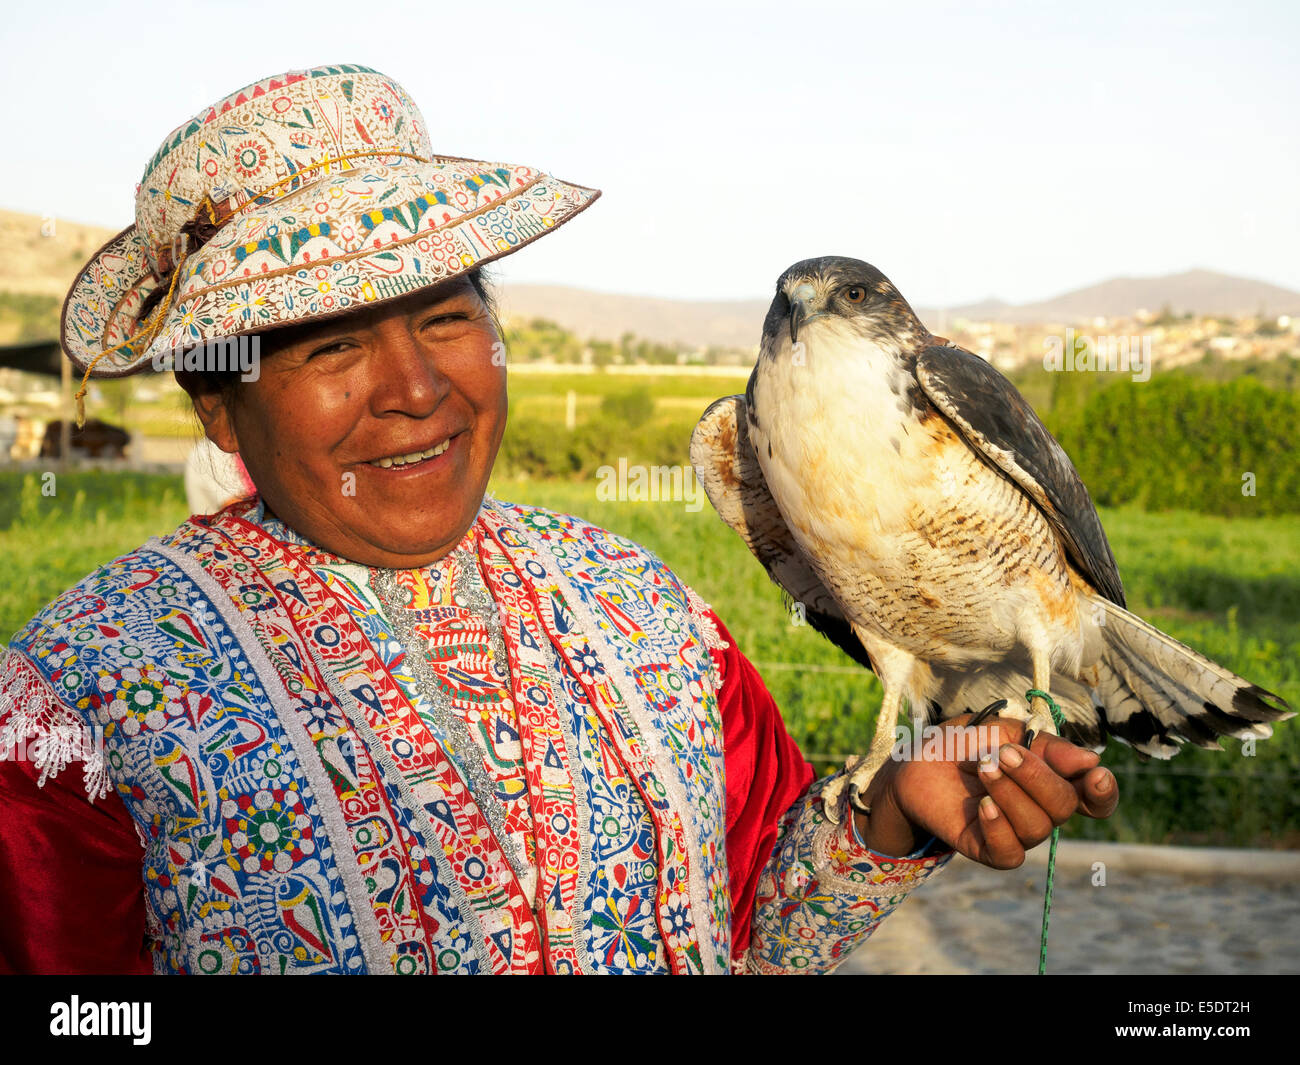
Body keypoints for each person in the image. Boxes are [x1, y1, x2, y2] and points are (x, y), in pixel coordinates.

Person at [0, 64, 1117, 975]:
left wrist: (887, 818)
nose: (414, 388)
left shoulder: (649, 615)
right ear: (219, 405)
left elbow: (750, 936)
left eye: (444, 318)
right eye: (331, 343)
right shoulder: (78, 700)